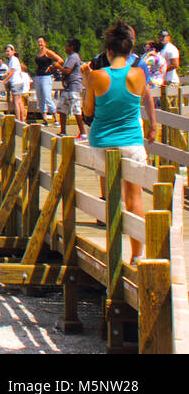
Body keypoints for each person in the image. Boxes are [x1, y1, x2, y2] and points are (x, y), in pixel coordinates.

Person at [82, 20, 156, 262]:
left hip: (103, 142)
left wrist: (86, 83)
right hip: (131, 141)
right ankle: (137, 254)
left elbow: (88, 112)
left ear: (108, 51)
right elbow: (143, 101)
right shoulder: (138, 75)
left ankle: (113, 252)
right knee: (134, 197)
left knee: (111, 196)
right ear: (129, 51)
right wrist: (153, 126)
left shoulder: (96, 76)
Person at [57, 37, 86, 138]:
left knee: (76, 110)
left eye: (67, 45)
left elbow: (67, 71)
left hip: (74, 87)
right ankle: (63, 131)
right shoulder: (70, 57)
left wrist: (57, 66)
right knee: (62, 109)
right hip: (68, 87)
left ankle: (83, 133)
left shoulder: (74, 57)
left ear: (72, 47)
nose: (65, 48)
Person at [33, 36, 63, 123]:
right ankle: (44, 119)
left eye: (41, 42)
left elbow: (60, 60)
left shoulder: (48, 52)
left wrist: (52, 66)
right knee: (40, 98)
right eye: (38, 42)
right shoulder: (38, 53)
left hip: (46, 77)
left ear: (45, 43)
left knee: (47, 97)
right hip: (38, 76)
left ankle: (56, 118)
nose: (40, 44)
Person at [4, 44, 31, 123]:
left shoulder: (13, 59)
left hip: (16, 82)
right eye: (6, 51)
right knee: (19, 102)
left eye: (9, 51)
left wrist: (5, 80)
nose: (7, 53)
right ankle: (22, 119)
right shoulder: (14, 60)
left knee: (16, 102)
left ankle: (19, 119)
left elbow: (12, 72)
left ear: (13, 51)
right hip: (19, 82)